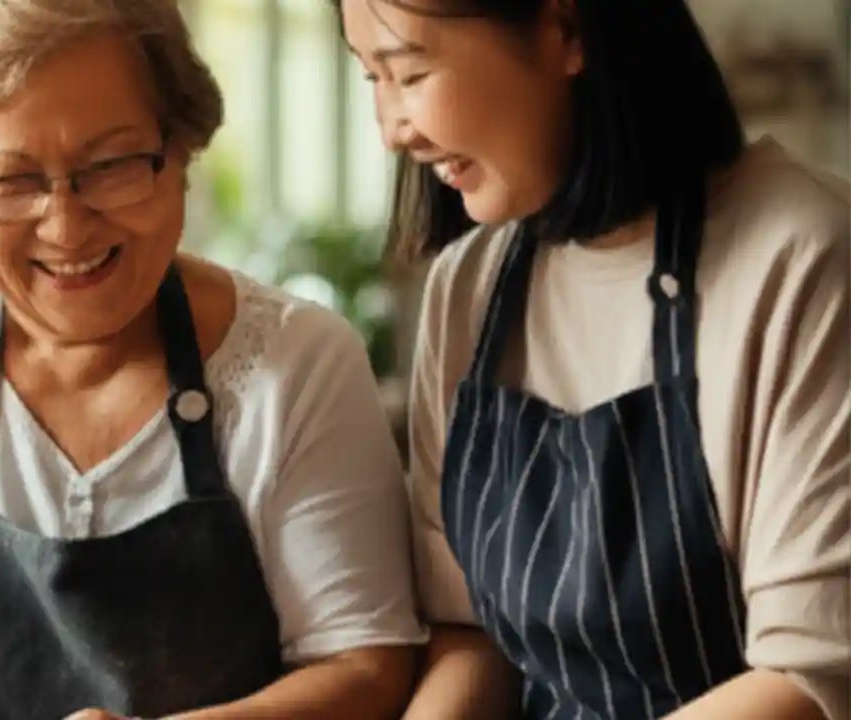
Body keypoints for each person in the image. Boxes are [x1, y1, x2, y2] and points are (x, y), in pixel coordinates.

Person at [0, 1, 425, 718]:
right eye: (9, 180)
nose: (65, 226)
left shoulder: (299, 363)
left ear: (181, 147)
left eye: (111, 165)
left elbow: (365, 671)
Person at [337, 0, 850, 718]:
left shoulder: (805, 258)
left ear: (568, 31)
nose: (392, 131)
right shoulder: (469, 288)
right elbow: (468, 629)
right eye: (371, 80)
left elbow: (811, 677)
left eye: (412, 73)